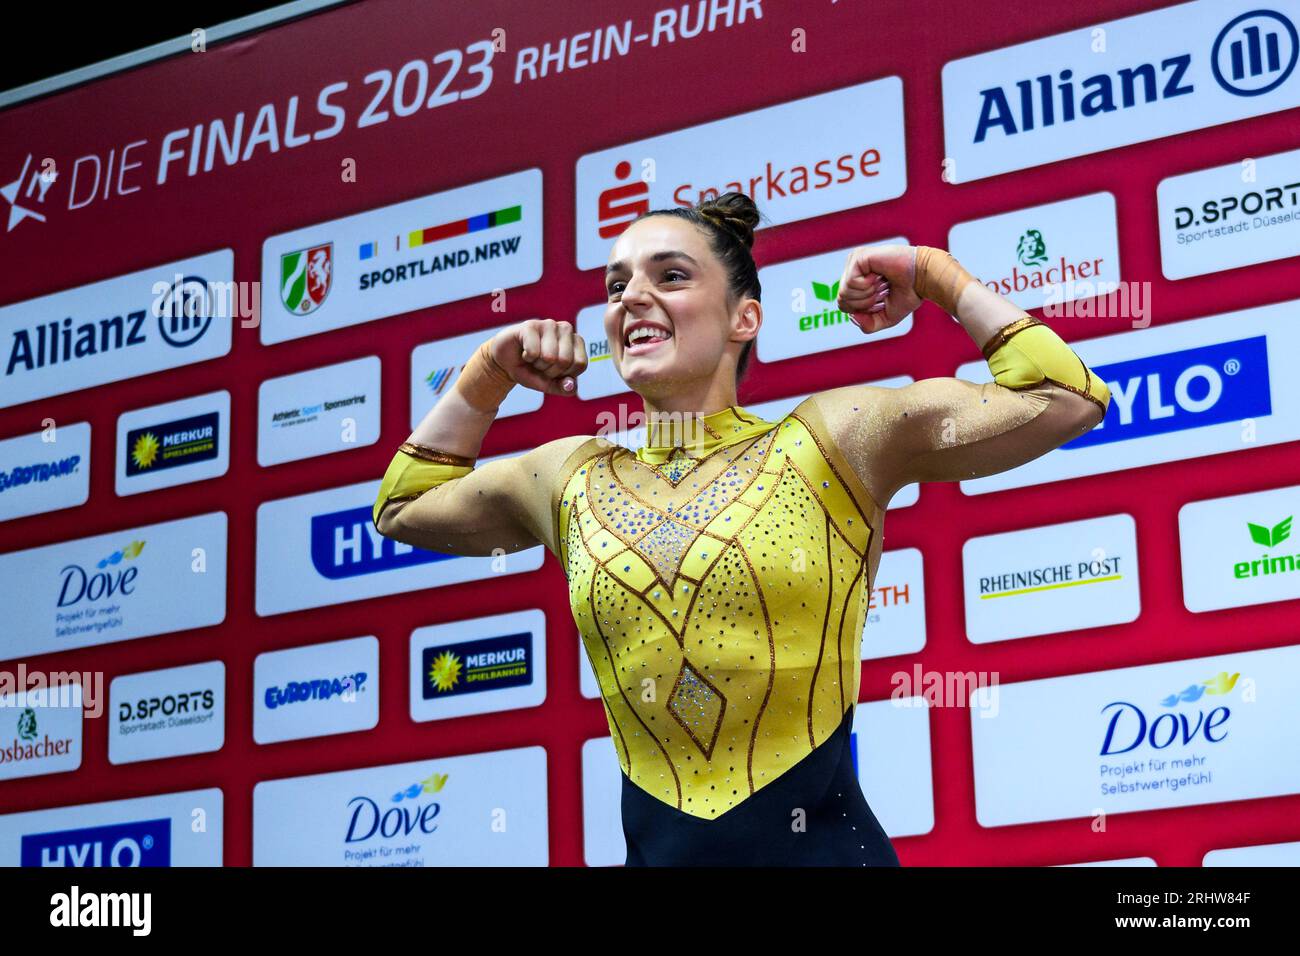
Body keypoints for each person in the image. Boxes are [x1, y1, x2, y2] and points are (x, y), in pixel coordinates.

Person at [372, 192, 1111, 866]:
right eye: (616, 284)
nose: (634, 298)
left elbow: (1065, 396)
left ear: (744, 318)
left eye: (670, 275)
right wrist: (486, 373)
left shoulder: (832, 436)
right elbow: (403, 505)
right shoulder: (568, 477)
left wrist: (933, 271)